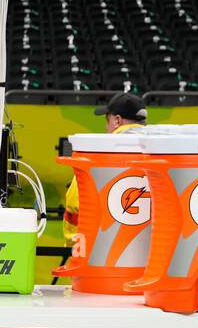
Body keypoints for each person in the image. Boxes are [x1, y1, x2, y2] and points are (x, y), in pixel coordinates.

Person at [63, 92, 147, 243]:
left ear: (117, 120)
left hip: (101, 249)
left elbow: (75, 202)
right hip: (147, 249)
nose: (105, 126)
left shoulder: (98, 153)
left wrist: (73, 242)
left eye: (107, 120)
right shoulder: (159, 151)